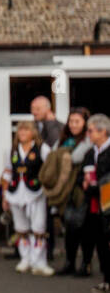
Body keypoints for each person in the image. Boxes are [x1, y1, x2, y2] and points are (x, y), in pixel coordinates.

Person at [1, 120, 52, 276]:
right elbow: (7, 172)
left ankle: (39, 262)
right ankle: (25, 259)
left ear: (33, 132)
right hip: (16, 191)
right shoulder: (12, 150)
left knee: (38, 226)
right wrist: (4, 196)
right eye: (20, 131)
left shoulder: (42, 149)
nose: (22, 133)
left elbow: (49, 170)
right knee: (21, 227)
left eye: (25, 130)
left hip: (36, 191)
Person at [54, 107, 92, 276]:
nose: (73, 125)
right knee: (69, 227)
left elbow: (77, 157)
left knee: (84, 227)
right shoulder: (64, 139)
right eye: (71, 121)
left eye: (77, 121)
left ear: (85, 123)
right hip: (66, 189)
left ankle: (86, 263)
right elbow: (54, 155)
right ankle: (70, 262)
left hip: (81, 188)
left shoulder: (89, 140)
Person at [80, 113, 110, 293]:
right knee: (100, 241)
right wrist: (83, 183)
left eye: (91, 131)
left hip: (108, 203)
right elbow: (83, 174)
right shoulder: (91, 152)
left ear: (103, 131)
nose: (88, 134)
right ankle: (107, 279)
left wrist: (94, 185)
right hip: (95, 204)